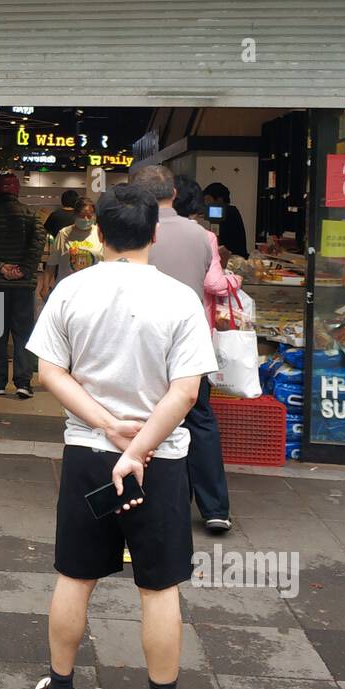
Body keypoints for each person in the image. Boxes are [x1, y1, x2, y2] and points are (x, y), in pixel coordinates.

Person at [26, 182, 217, 689]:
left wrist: (109, 429)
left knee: (75, 577)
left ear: (99, 232)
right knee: (159, 589)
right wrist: (137, 449)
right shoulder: (179, 298)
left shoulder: (71, 291)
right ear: (154, 235)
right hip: (162, 462)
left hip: (89, 454)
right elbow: (185, 393)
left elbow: (49, 373)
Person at [134, 165, 238, 534]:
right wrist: (233, 278)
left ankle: (143, 499)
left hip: (142, 339)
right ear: (173, 194)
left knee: (143, 416)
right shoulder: (202, 234)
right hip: (190, 341)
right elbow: (213, 283)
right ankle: (215, 507)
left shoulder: (137, 230)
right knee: (200, 420)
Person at [0, 172, 48, 398]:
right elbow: (37, 244)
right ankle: (23, 383)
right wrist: (23, 270)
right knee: (23, 334)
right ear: (17, 190)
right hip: (22, 285)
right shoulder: (31, 214)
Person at [44, 198, 103, 293]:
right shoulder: (64, 233)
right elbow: (51, 263)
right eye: (82, 216)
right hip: (67, 289)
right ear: (75, 215)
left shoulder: (99, 233)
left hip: (92, 290)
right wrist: (45, 286)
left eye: (89, 216)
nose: (86, 219)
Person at [203, 181, 249, 260]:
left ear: (219, 200)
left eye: (208, 199)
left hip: (233, 259)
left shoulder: (227, 211)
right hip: (233, 257)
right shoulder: (231, 210)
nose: (206, 203)